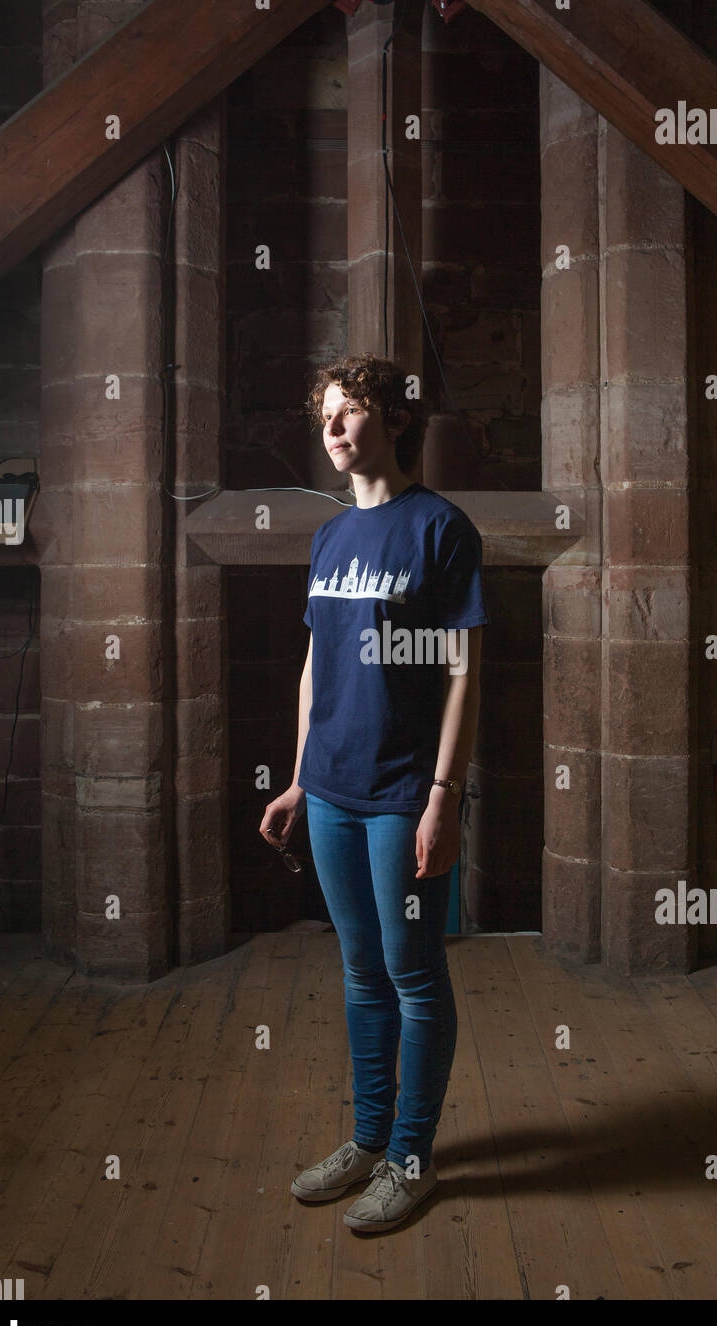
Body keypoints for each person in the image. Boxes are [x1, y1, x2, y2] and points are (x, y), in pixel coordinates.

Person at [259, 352, 488, 1234]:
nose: (334, 426)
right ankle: (367, 1140)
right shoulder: (327, 537)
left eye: (350, 409)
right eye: (325, 413)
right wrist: (298, 776)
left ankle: (412, 1156)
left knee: (414, 976)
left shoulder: (440, 529)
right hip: (332, 789)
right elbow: (316, 663)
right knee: (361, 973)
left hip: (403, 793)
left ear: (394, 419)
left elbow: (464, 671)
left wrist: (442, 795)